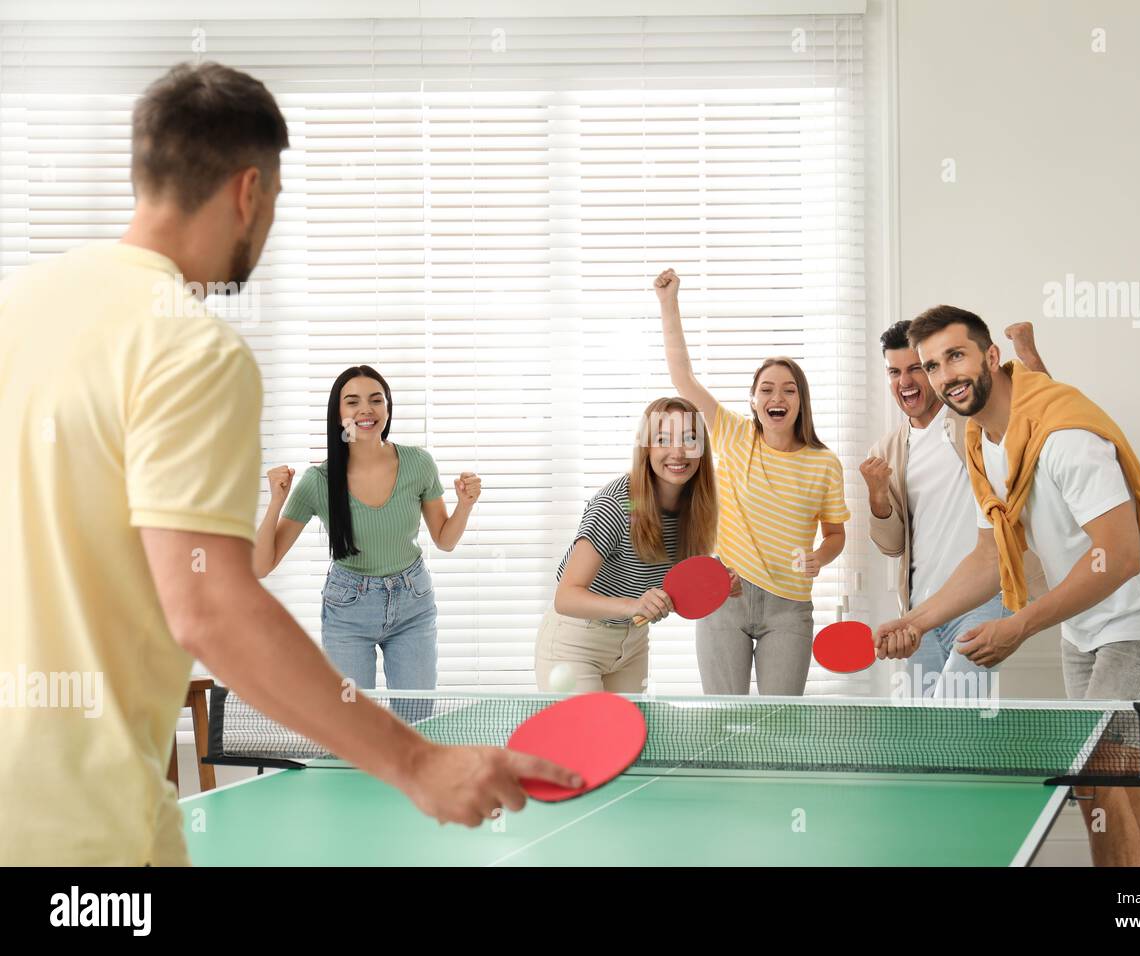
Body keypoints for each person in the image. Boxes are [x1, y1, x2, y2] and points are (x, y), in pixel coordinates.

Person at [0, 61, 574, 865]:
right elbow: (209, 606)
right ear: (248, 192)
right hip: (80, 830)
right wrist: (416, 761)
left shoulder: (18, 304)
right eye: (274, 197)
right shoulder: (189, 349)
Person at [875, 305, 1140, 866]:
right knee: (1122, 771)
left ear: (990, 356)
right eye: (930, 365)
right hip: (1084, 622)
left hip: (1138, 615)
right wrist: (916, 620)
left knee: (1096, 771)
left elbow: (1118, 557)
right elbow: (987, 556)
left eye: (956, 355)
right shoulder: (982, 442)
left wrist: (1021, 623)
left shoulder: (1064, 436)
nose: (943, 375)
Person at [655, 268, 851, 695]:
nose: (776, 398)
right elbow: (683, 379)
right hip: (725, 597)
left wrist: (822, 556)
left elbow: (835, 534)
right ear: (753, 400)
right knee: (726, 723)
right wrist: (669, 303)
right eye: (766, 390)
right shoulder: (735, 435)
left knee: (778, 728)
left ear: (801, 401)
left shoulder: (824, 464)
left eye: (788, 390)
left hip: (789, 608)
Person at [255, 365, 480, 694]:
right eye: (353, 401)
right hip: (348, 608)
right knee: (352, 725)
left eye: (377, 400)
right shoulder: (319, 481)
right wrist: (276, 501)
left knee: (416, 723)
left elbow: (445, 540)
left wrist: (465, 504)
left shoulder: (419, 464)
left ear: (388, 409)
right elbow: (262, 565)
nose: (366, 409)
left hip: (412, 602)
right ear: (338, 413)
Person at [861, 319, 1049, 698]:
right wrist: (878, 497)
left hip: (987, 596)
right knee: (929, 735)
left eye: (916, 368)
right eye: (894, 372)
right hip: (923, 611)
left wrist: (1029, 356)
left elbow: (1041, 418)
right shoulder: (886, 450)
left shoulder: (972, 418)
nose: (906, 381)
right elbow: (892, 546)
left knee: (953, 708)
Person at [538, 396, 733, 693]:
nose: (677, 452)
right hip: (575, 642)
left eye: (689, 439)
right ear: (646, 448)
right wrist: (633, 605)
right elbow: (565, 598)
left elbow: (671, 592)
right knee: (587, 739)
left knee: (630, 739)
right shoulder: (616, 505)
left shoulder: (694, 510)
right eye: (663, 439)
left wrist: (717, 586)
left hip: (632, 643)